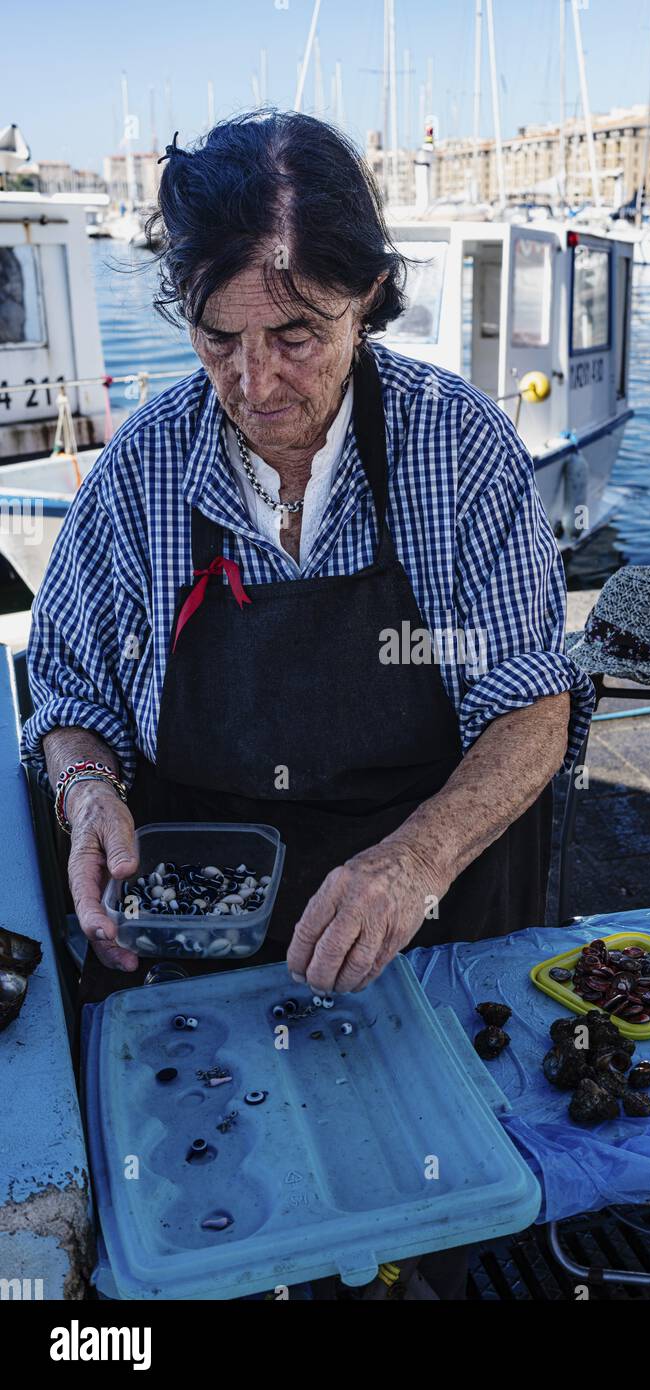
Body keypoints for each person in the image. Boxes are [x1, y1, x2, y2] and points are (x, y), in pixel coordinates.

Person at [21, 113, 594, 1294]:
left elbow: (532, 701)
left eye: (296, 334)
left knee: (437, 1244)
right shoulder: (143, 469)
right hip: (202, 975)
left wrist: (414, 860)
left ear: (368, 295)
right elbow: (69, 691)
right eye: (218, 337)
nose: (254, 380)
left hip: (427, 946)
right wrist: (86, 793)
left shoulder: (459, 452)